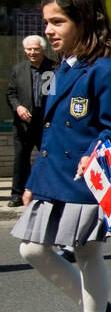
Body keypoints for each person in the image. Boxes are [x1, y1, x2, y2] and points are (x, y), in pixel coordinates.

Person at [11, 0, 111, 312]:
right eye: (46, 22)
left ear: (85, 22)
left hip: (84, 177)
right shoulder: (65, 67)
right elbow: (52, 129)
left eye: (57, 22)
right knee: (31, 249)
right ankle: (97, 306)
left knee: (87, 253)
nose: (48, 30)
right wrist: (33, 180)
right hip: (52, 175)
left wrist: (95, 152)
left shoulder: (109, 71)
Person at [8, 35, 57, 206]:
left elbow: (53, 95)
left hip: (46, 124)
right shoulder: (18, 69)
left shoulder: (52, 68)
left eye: (36, 49)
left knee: (48, 158)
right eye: (29, 49)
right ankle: (17, 194)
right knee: (20, 159)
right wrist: (19, 107)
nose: (32, 52)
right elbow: (11, 94)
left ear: (43, 49)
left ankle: (46, 192)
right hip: (23, 124)